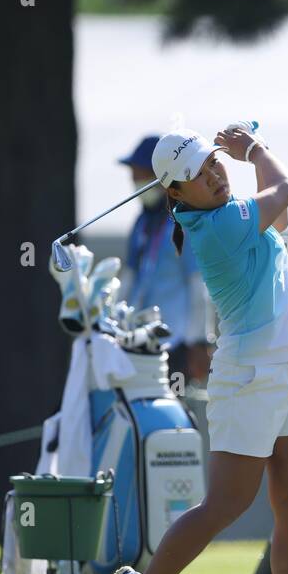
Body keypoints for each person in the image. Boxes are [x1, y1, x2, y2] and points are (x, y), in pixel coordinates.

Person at [105, 123, 288, 574]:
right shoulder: (221, 224)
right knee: (225, 505)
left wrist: (247, 160)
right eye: (198, 175)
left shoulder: (229, 211)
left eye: (214, 163)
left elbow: (283, 211)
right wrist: (252, 150)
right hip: (249, 377)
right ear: (175, 194)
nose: (214, 176)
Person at [117, 135, 213, 389]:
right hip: (139, 341)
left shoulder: (183, 222)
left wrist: (198, 342)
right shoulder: (142, 223)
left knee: (171, 418)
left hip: (175, 344)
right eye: (134, 175)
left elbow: (197, 285)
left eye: (142, 174)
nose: (135, 181)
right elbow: (130, 277)